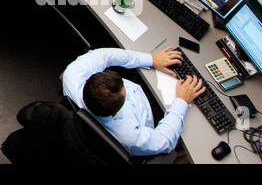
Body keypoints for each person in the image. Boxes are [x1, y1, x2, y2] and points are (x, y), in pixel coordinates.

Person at [61, 46, 203, 157]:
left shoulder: (72, 76)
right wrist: (182, 101)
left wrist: (151, 59)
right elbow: (164, 140)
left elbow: (103, 55)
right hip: (150, 113)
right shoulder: (129, 136)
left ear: (89, 79)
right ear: (117, 111)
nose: (127, 89)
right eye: (125, 91)